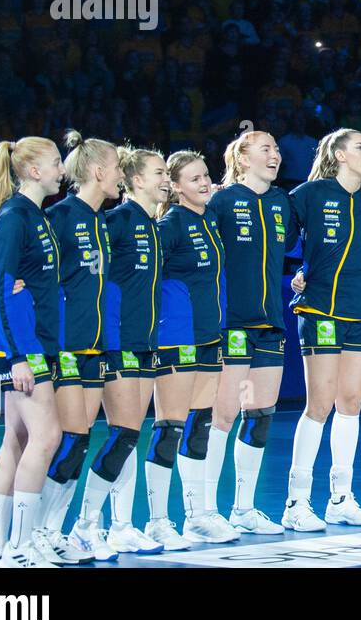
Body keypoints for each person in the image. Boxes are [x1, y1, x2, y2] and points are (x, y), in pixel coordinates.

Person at [282, 129, 361, 529]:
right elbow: (279, 239)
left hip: (359, 310)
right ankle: (296, 502)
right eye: (360, 147)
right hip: (320, 309)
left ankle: (341, 497)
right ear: (339, 154)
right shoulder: (308, 194)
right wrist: (299, 272)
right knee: (319, 404)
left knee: (351, 402)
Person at [37, 132, 127, 563]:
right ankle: (37, 531)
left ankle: (52, 532)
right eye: (116, 168)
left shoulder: (100, 221)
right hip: (67, 346)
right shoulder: (60, 216)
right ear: (97, 172)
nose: (121, 176)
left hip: (96, 346)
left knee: (81, 439)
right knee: (70, 439)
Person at [0, 137, 66, 567]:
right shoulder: (15, 217)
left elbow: (29, 280)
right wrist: (17, 357)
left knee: (17, 438)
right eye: (54, 163)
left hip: (31, 342)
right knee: (48, 436)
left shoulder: (36, 214)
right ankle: (20, 546)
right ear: (33, 171)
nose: (61, 169)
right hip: (18, 347)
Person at [106, 145, 194, 550]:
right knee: (122, 434)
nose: (166, 180)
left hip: (147, 343)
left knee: (133, 434)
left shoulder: (155, 227)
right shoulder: (117, 221)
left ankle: (125, 524)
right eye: (159, 173)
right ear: (136, 180)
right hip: (120, 342)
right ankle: (113, 525)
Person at [208, 130, 291, 534]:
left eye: (276, 149)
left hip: (270, 325)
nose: (275, 155)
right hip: (231, 324)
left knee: (259, 416)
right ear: (242, 159)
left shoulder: (281, 203)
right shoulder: (221, 201)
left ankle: (243, 509)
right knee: (222, 416)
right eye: (266, 149)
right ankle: (203, 512)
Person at [155, 150, 236, 543]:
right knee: (169, 426)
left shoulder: (211, 220)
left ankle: (197, 515)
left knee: (199, 423)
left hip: (209, 336)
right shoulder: (170, 224)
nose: (204, 183)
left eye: (206, 176)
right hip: (177, 337)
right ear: (175, 187)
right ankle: (156, 521)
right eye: (194, 179)